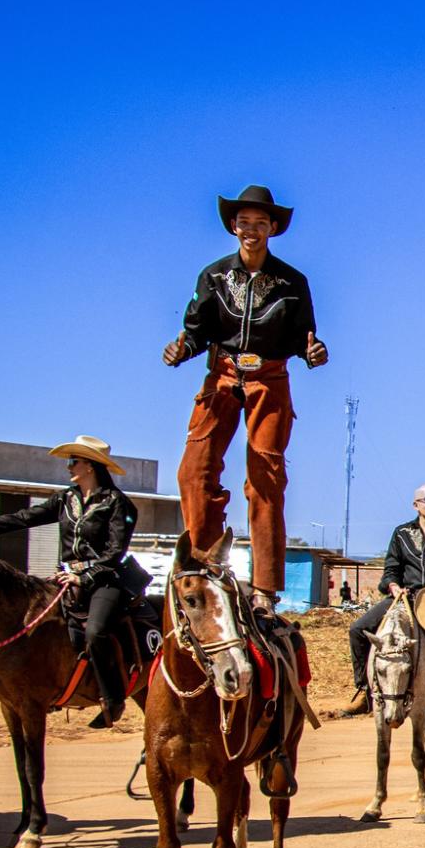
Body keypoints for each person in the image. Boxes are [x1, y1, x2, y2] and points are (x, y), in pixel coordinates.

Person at [166, 185, 328, 614]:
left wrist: (313, 353)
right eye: (243, 222)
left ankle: (264, 589)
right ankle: (204, 564)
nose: (251, 230)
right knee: (193, 470)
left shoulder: (293, 283)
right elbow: (196, 331)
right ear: (232, 226)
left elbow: (304, 337)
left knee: (265, 476)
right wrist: (182, 349)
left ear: (272, 228)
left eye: (259, 222)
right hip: (221, 375)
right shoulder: (214, 276)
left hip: (269, 379)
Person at [0, 436, 148, 727]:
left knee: (96, 631)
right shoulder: (66, 499)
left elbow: (115, 552)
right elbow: (24, 518)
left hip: (106, 579)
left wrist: (84, 575)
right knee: (37, 623)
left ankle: (113, 697)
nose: (69, 467)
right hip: (66, 577)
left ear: (90, 466)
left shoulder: (118, 503)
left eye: (73, 461)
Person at [336, 484, 425, 718]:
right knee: (358, 629)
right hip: (404, 599)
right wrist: (392, 585)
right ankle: (365, 692)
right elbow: (391, 569)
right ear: (416, 505)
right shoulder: (401, 534)